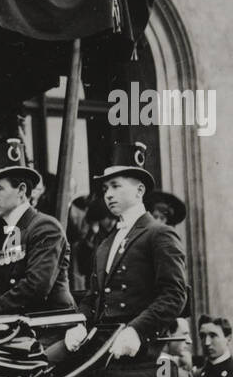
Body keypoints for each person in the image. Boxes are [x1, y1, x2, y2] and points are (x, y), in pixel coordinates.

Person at [61, 141, 188, 362]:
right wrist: (79, 323)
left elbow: (174, 294)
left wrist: (136, 330)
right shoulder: (106, 243)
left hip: (139, 348)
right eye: (105, 188)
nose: (108, 194)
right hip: (101, 343)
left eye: (116, 186)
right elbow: (93, 298)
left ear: (139, 190)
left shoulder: (158, 234)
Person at [0, 139, 74, 318]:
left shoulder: (45, 228)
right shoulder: (11, 231)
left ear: (21, 190)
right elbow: (16, 281)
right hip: (23, 327)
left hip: (51, 326)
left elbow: (36, 287)